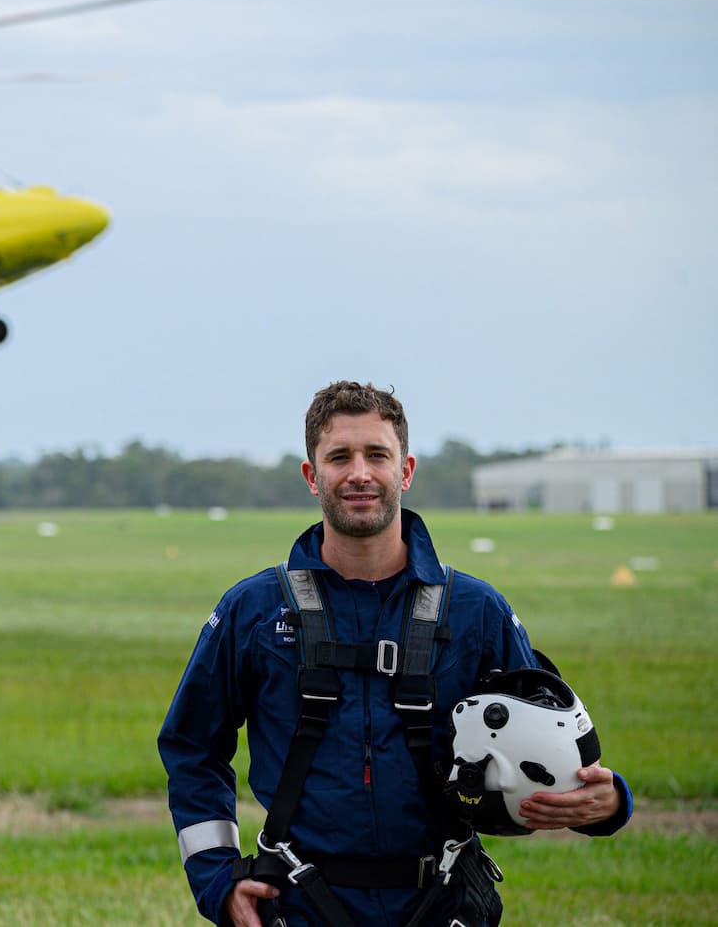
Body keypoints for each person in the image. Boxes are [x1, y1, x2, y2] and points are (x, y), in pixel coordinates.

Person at [158, 381, 633, 927]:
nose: (359, 473)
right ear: (313, 477)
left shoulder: (476, 611)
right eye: (340, 456)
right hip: (299, 906)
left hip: (441, 905)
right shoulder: (255, 611)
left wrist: (608, 802)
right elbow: (191, 746)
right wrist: (218, 878)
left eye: (377, 455)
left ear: (404, 471)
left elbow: (550, 738)